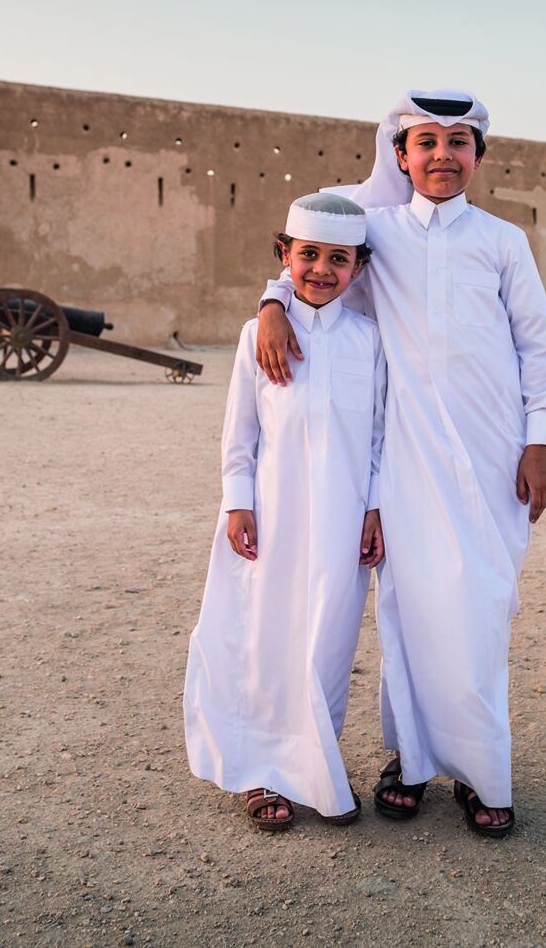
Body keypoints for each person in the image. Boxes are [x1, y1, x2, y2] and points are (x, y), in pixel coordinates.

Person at [253, 92, 546, 838]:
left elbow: (535, 346)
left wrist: (539, 440)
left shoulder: (502, 241)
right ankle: (411, 762)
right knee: (410, 610)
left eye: (459, 142)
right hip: (409, 457)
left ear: (478, 157)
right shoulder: (376, 232)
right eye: (427, 142)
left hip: (492, 458)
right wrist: (269, 301)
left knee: (480, 610)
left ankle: (483, 772)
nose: (442, 156)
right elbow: (310, 255)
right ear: (400, 155)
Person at [183, 192, 388, 831]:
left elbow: (382, 436)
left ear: (359, 266)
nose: (321, 270)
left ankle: (316, 768)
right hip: (270, 517)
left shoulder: (370, 340)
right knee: (266, 639)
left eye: (338, 259)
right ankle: (261, 773)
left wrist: (374, 509)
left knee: (328, 643)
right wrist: (237, 502)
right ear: (284, 256)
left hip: (342, 520)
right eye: (308, 256)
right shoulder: (259, 334)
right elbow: (239, 433)